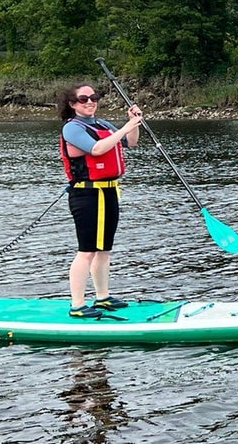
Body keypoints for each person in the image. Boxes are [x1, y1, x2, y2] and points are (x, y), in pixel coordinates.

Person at [58, 84, 142, 318]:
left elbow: (130, 143)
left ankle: (102, 298)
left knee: (104, 250)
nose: (89, 101)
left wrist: (134, 123)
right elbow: (96, 149)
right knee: (87, 251)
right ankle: (77, 305)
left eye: (93, 97)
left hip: (109, 192)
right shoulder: (72, 129)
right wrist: (125, 127)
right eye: (83, 98)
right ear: (73, 104)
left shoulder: (103, 124)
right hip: (86, 194)